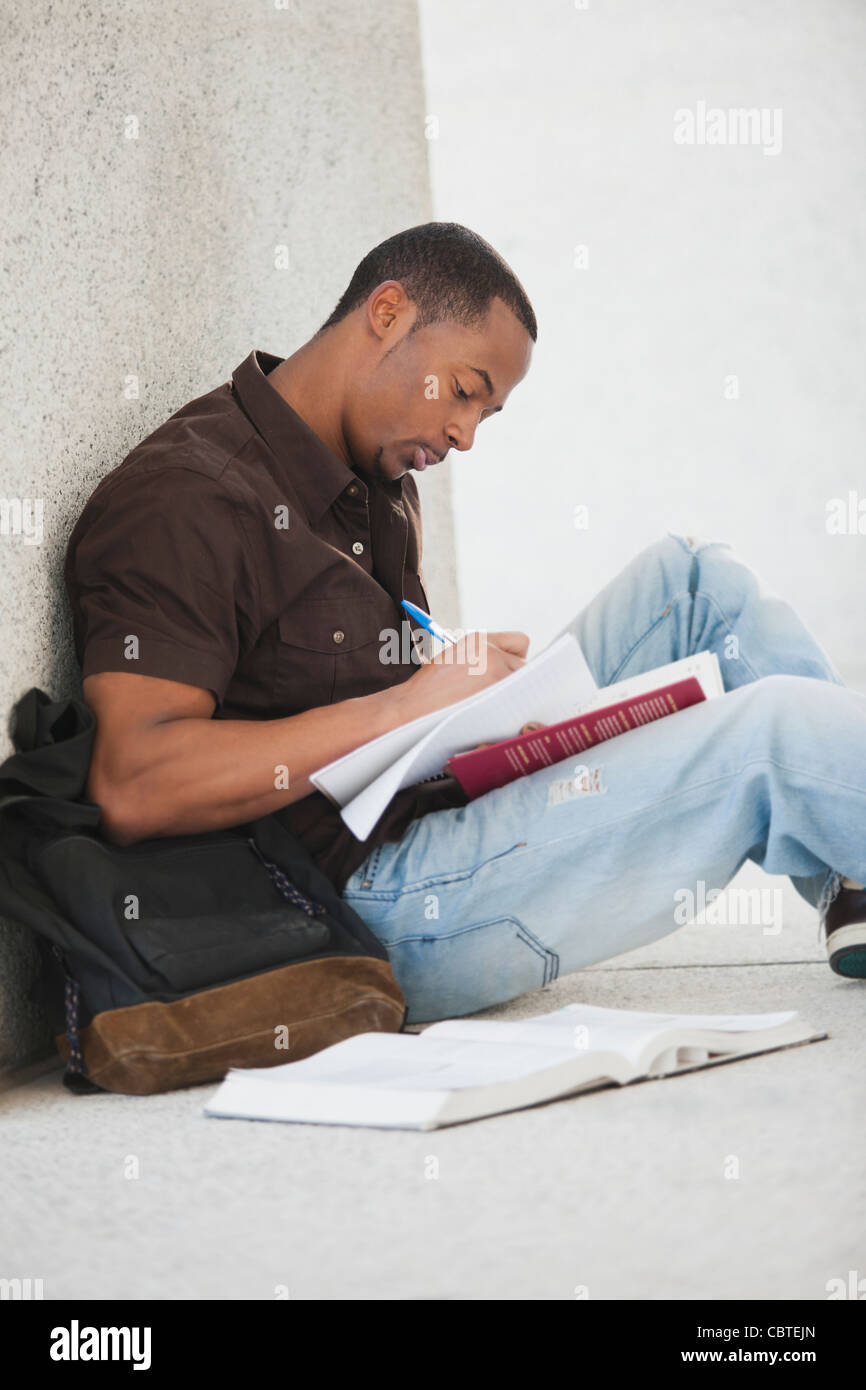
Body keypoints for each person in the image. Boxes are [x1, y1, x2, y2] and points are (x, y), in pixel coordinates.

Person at [64, 221, 866, 1024]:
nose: (466, 436)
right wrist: (408, 705)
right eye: (464, 389)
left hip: (438, 810)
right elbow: (136, 781)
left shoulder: (373, 468)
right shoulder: (189, 497)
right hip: (369, 907)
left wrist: (474, 715)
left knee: (693, 581)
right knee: (771, 733)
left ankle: (853, 882)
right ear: (387, 314)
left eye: (487, 411)